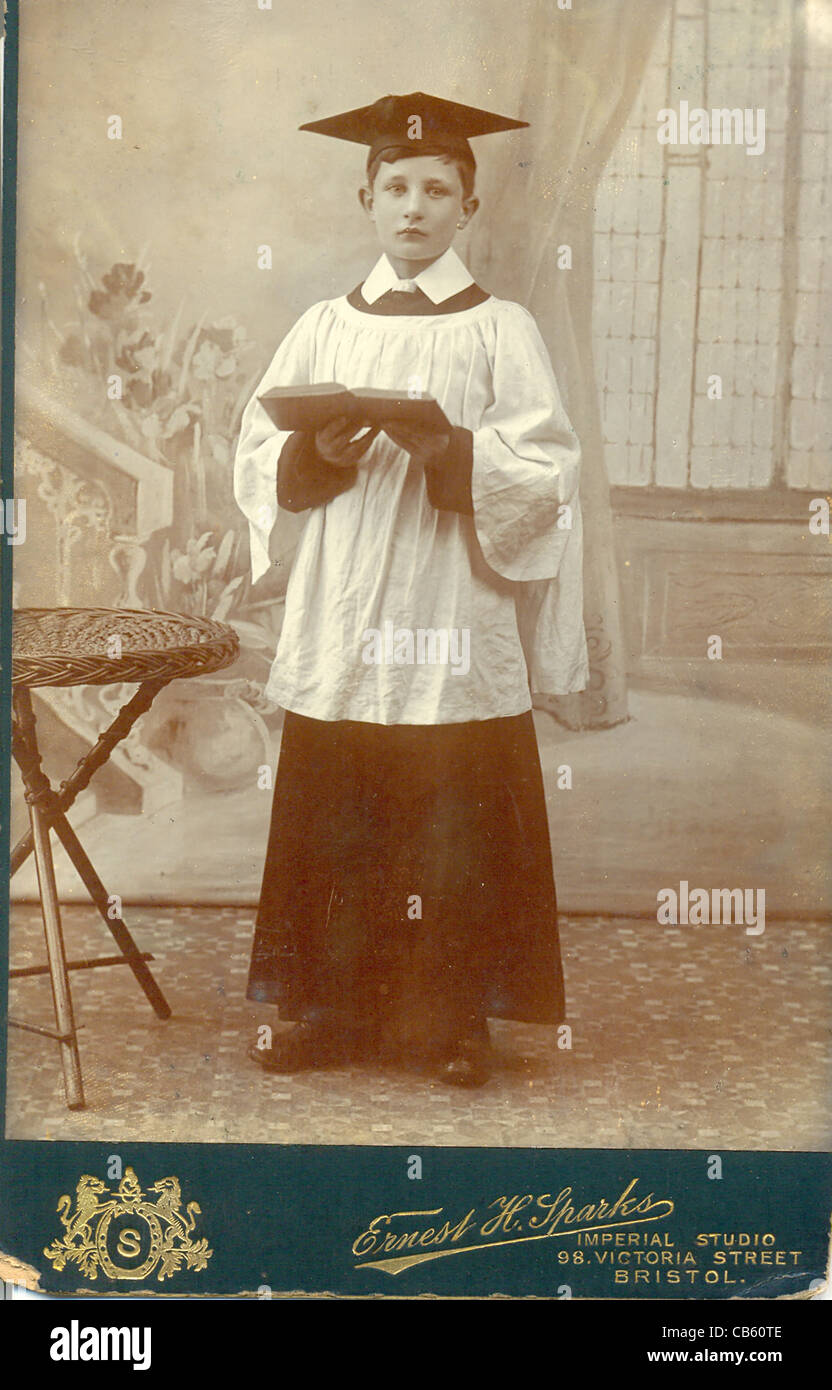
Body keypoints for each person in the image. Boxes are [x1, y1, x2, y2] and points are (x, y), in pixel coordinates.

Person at [233, 92, 588, 1087]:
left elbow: (551, 468)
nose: (415, 207)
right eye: (396, 187)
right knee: (341, 802)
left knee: (451, 808)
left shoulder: (499, 330)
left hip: (449, 600)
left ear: (467, 209)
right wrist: (315, 450)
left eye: (438, 189)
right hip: (350, 596)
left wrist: (457, 452)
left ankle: (452, 1021)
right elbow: (258, 449)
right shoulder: (322, 326)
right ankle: (330, 1009)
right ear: (366, 198)